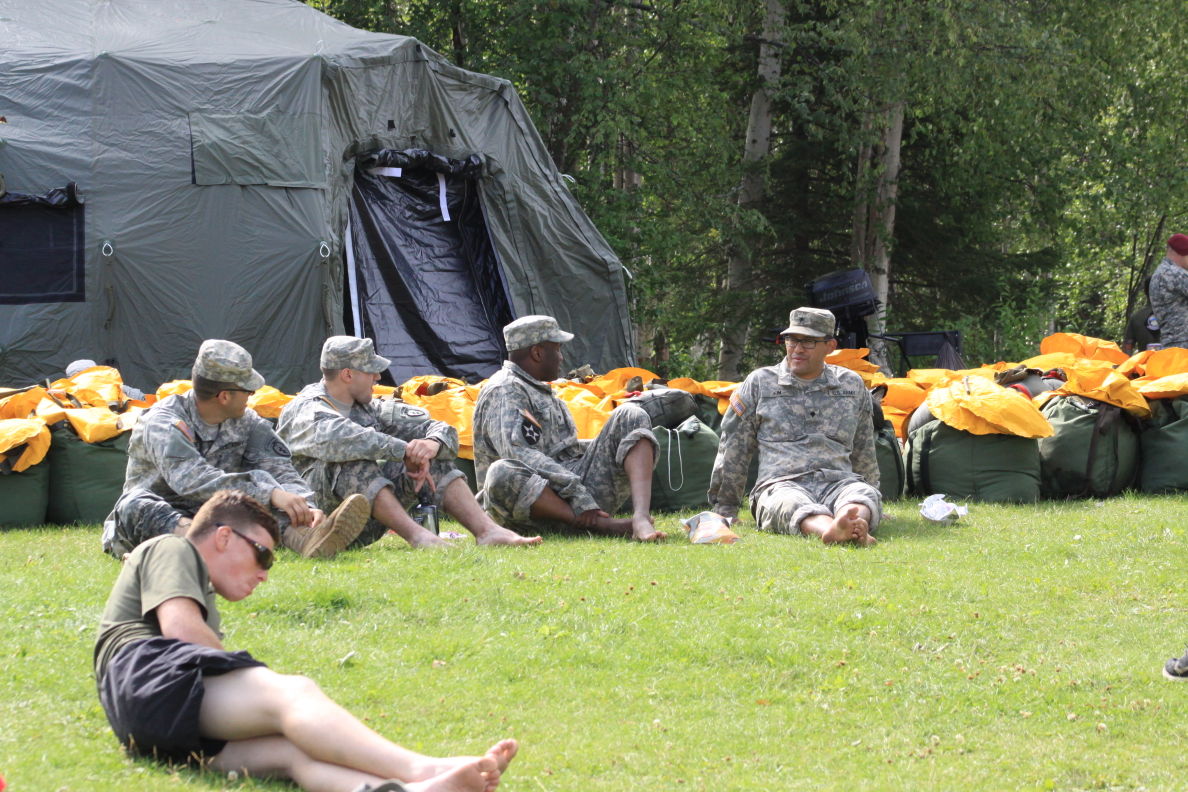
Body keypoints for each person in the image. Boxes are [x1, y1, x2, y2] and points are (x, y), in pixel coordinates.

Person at [94, 489, 518, 792]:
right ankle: (423, 769)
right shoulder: (173, 549)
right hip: (148, 679)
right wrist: (260, 684)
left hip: (148, 725)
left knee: (293, 754)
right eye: (262, 554)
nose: (264, 573)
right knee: (293, 693)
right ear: (223, 536)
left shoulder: (200, 591)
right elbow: (182, 632)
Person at [102, 339, 370, 559]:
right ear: (224, 396)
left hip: (217, 516)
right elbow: (192, 480)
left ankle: (308, 538)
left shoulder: (248, 422)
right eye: (248, 390)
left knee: (266, 499)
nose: (253, 395)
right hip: (158, 518)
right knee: (134, 503)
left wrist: (304, 504)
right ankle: (196, 549)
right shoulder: (164, 422)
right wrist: (269, 491)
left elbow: (279, 468)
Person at [276, 336, 541, 549]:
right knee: (351, 460)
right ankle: (420, 537)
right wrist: (405, 451)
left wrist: (432, 444)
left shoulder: (367, 407)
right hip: (317, 523)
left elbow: (437, 425)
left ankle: (488, 531)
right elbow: (340, 437)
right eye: (371, 371)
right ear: (347, 374)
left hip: (361, 522)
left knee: (426, 451)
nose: (378, 378)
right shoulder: (305, 408)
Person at [472, 315, 664, 541]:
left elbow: (565, 451)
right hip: (529, 510)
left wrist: (612, 446)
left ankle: (640, 518)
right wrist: (578, 493)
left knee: (632, 414)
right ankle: (602, 525)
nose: (562, 358)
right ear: (537, 353)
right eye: (558, 349)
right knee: (502, 471)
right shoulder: (505, 390)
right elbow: (519, 454)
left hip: (574, 495)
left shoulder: (539, 388)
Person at [708, 307, 881, 546]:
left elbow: (864, 447)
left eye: (808, 342)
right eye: (791, 339)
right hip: (781, 484)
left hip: (838, 481)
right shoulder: (760, 383)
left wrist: (872, 493)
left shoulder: (851, 386)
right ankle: (832, 530)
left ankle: (851, 521)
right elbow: (734, 448)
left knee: (862, 496)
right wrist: (726, 508)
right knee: (789, 503)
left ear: (830, 346)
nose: (797, 349)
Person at [1149, 233, 1188, 349]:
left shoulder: (1160, 273)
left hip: (1172, 345)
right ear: (1181, 253)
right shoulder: (1175, 274)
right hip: (1184, 345)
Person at [1121, 276, 1161, 355]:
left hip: (1145, 365)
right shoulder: (1177, 315)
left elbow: (1127, 347)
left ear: (1145, 291)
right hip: (1173, 365)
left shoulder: (1136, 317)